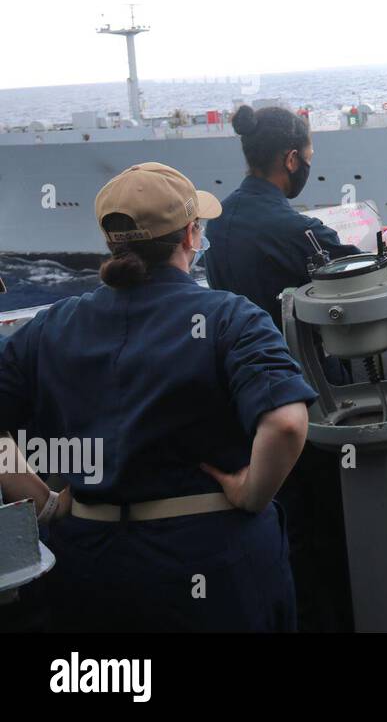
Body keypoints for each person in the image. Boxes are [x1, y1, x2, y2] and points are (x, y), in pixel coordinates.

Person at [0, 162, 313, 631]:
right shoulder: (230, 316)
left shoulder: (51, 325)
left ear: (111, 242)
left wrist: (43, 502)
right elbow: (286, 423)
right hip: (212, 561)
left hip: (90, 566)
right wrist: (251, 493)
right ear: (190, 235)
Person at [205, 103, 387, 632]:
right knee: (326, 535)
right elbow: (367, 269)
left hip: (242, 402)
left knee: (284, 536)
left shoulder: (221, 221)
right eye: (309, 158)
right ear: (291, 158)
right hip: (305, 401)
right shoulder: (295, 229)